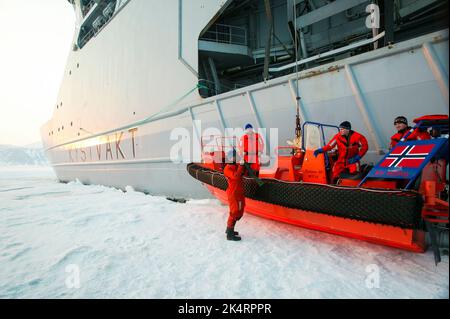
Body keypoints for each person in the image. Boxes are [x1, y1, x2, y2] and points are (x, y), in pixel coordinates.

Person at [223, 150, 246, 241]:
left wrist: (242, 165)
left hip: (238, 193)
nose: (237, 158)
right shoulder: (228, 169)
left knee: (239, 211)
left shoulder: (235, 166)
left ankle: (229, 229)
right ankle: (229, 234)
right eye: (235, 157)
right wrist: (241, 165)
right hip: (233, 194)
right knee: (234, 212)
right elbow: (236, 176)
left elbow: (240, 173)